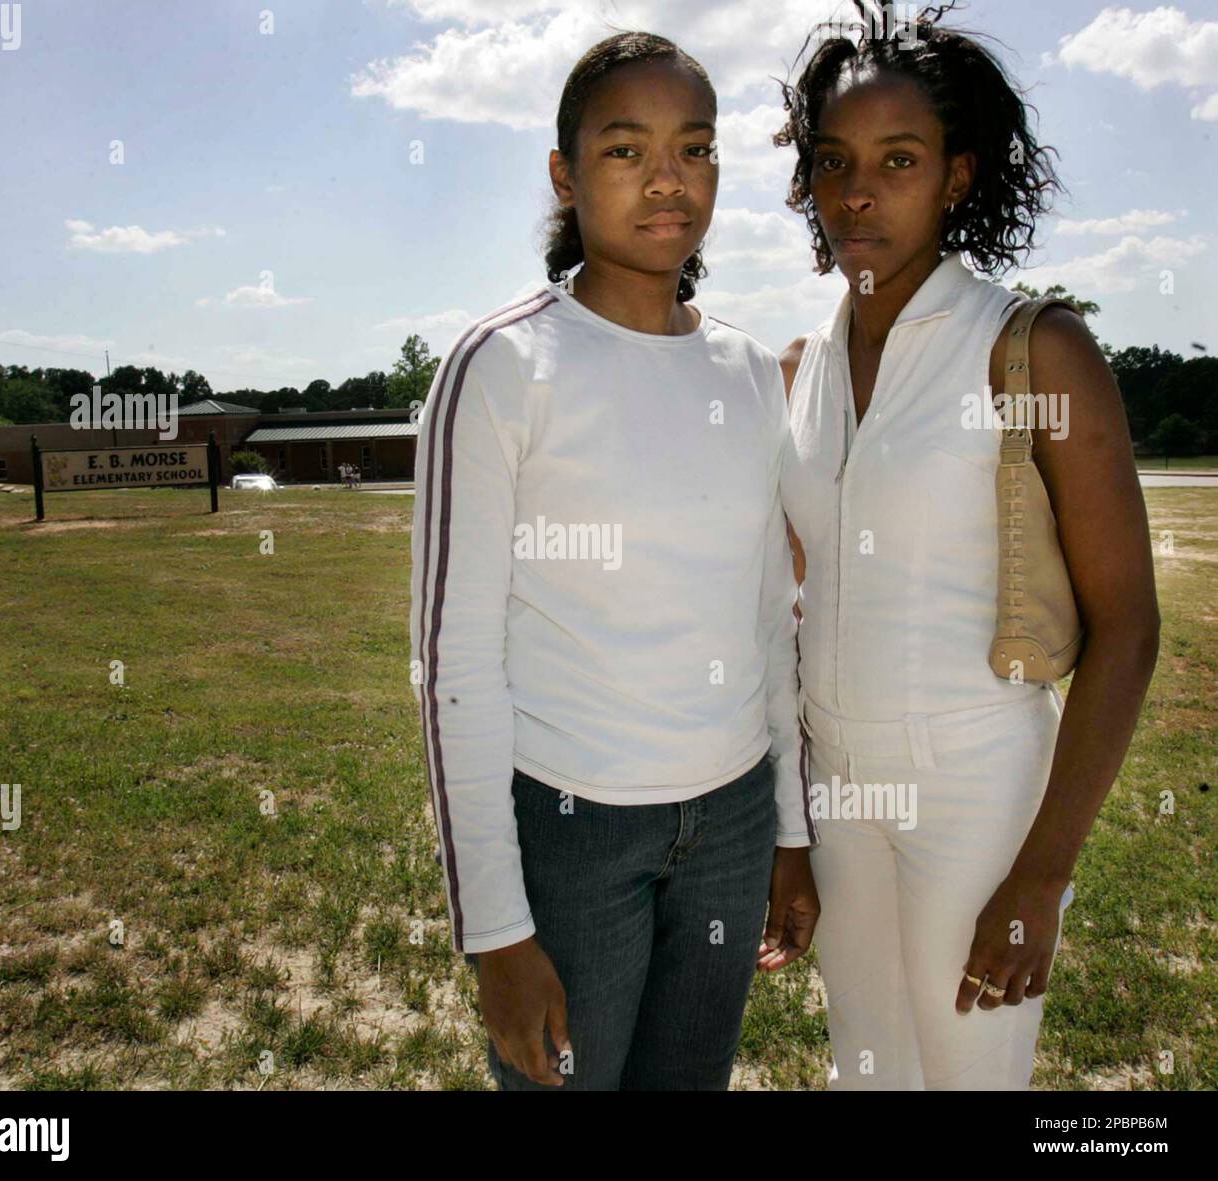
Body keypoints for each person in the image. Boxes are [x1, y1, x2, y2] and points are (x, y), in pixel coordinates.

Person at [759, 1, 1159, 1090]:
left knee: (970, 1078)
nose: (856, 192)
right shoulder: (801, 368)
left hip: (977, 789)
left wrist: (1041, 875)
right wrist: (792, 830)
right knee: (867, 1072)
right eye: (833, 160)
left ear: (957, 175)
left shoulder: (1030, 350)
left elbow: (1127, 627)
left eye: (898, 159)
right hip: (840, 786)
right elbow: (792, 610)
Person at [409, 31, 818, 1091]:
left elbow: (771, 616)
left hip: (728, 822)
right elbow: (453, 667)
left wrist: (785, 828)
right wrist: (496, 930)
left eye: (695, 148)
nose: (667, 180)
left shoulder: (745, 369)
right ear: (564, 173)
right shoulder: (501, 364)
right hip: (571, 825)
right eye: (626, 151)